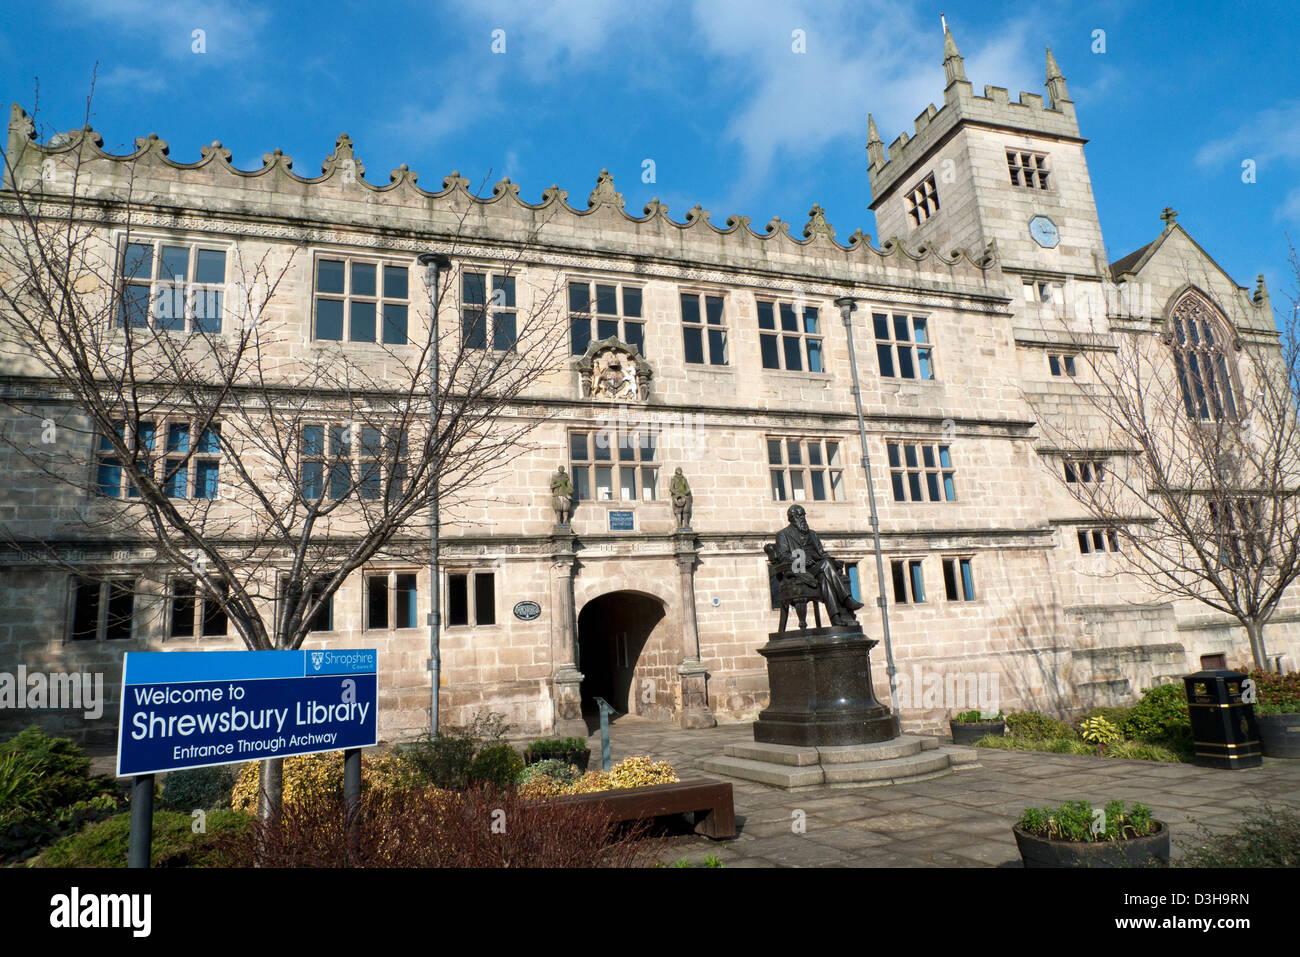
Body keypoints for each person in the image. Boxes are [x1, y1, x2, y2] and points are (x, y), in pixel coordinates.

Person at [774, 504, 863, 627]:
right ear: (791, 518)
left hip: (817, 567)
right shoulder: (783, 534)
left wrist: (824, 558)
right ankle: (846, 600)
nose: (802, 518)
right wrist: (803, 559)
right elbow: (783, 556)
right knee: (826, 567)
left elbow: (822, 553)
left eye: (803, 515)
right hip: (800, 570)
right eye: (799, 515)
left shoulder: (813, 534)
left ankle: (836, 618)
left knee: (825, 573)